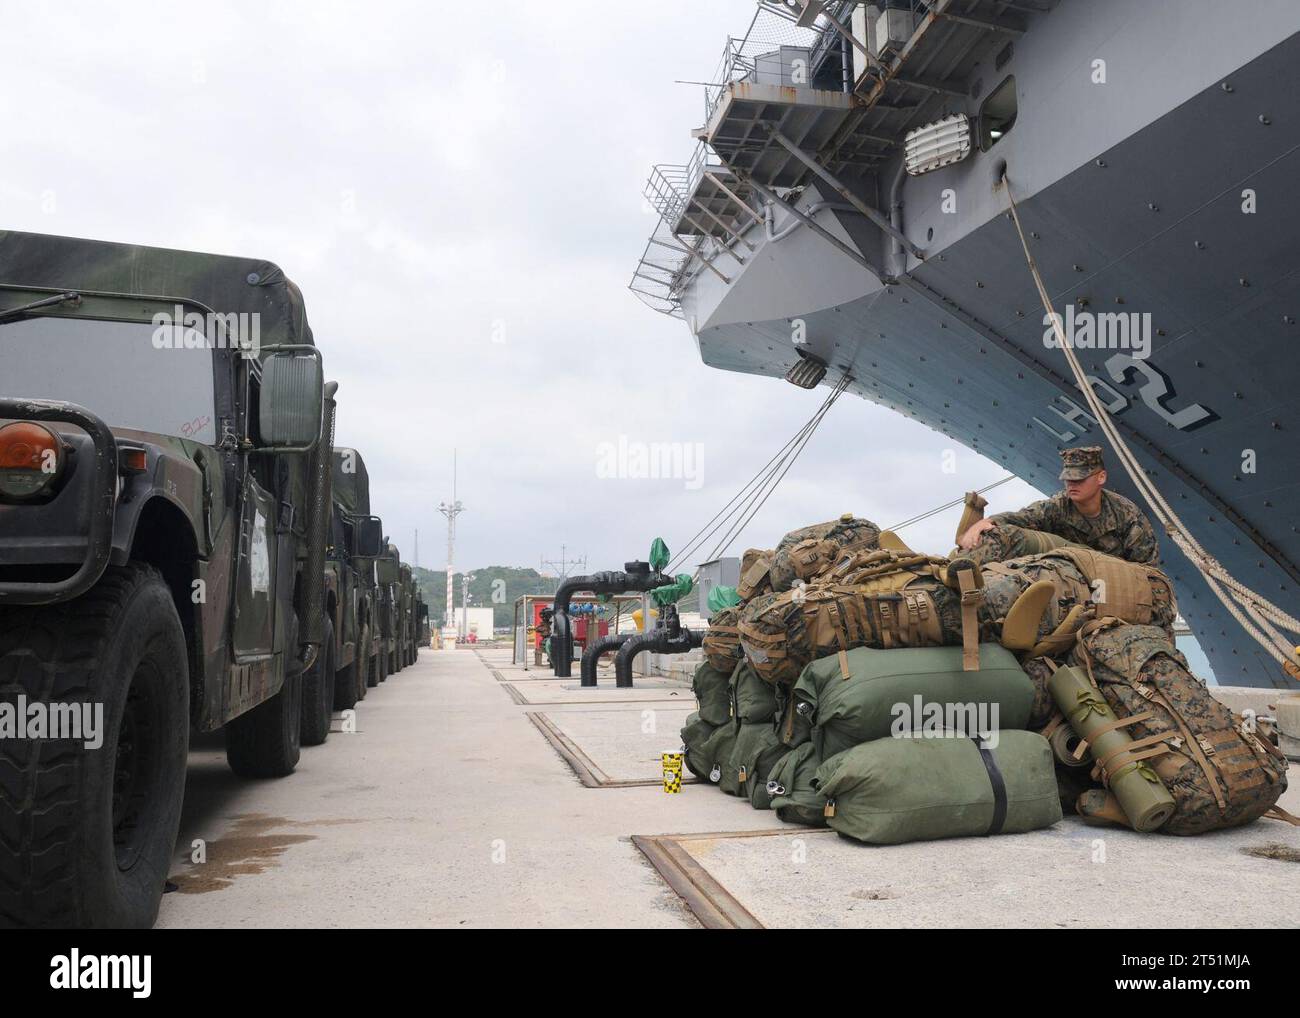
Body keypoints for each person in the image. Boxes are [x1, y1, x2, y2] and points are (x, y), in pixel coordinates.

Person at [958, 446, 1160, 564]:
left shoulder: (1128, 516)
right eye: (1068, 479)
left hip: (1112, 583)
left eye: (1079, 479)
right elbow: (1022, 517)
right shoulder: (1057, 507)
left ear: (1101, 477)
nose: (1072, 485)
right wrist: (984, 523)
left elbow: (1148, 571)